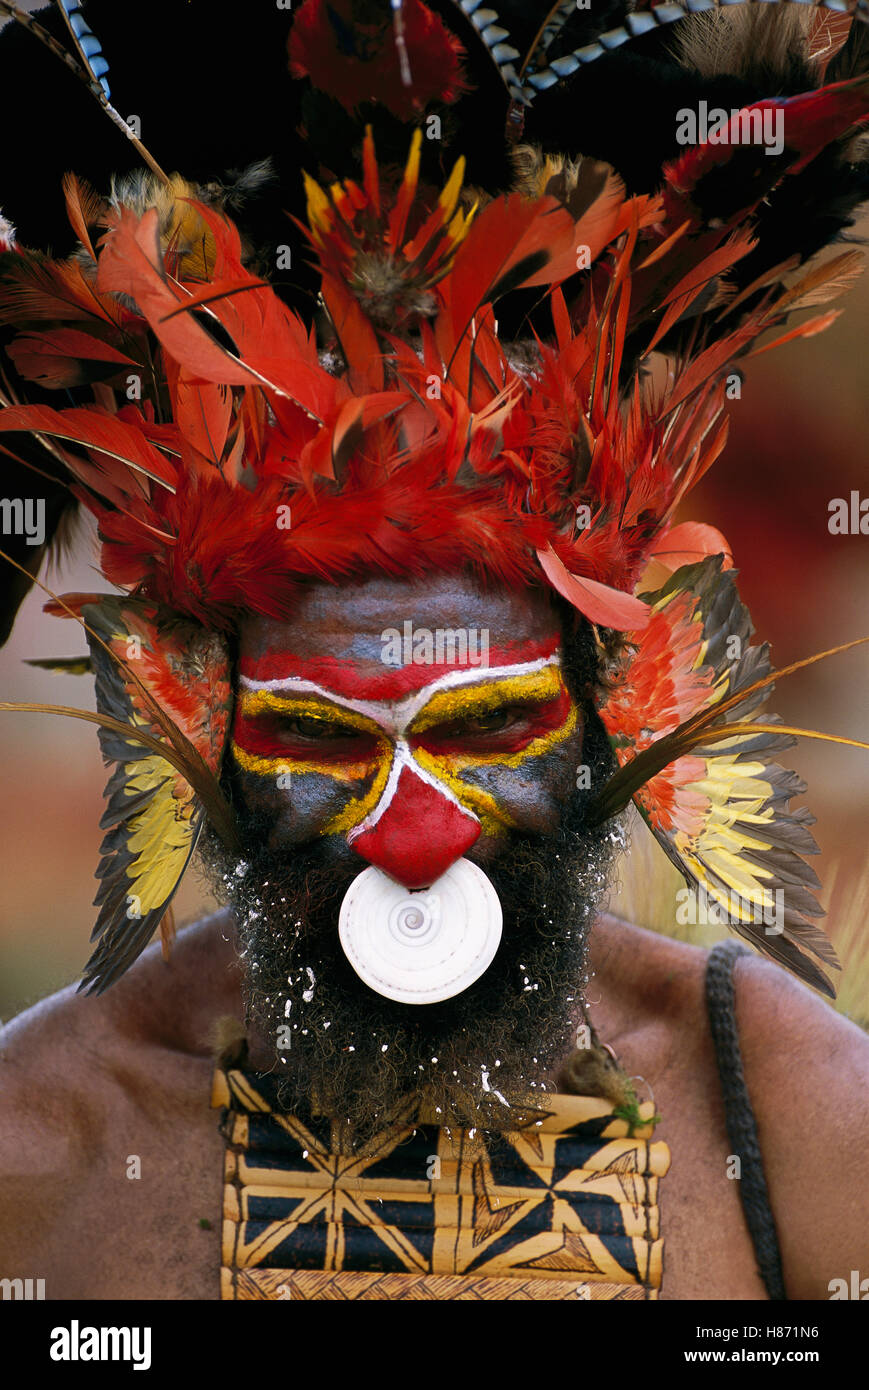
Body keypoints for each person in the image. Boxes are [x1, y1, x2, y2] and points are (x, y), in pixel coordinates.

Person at [1, 0, 868, 1302]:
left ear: (617, 701)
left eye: (483, 730)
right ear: (195, 718)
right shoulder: (42, 1143)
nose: (411, 833)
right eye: (316, 738)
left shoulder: (801, 1119)